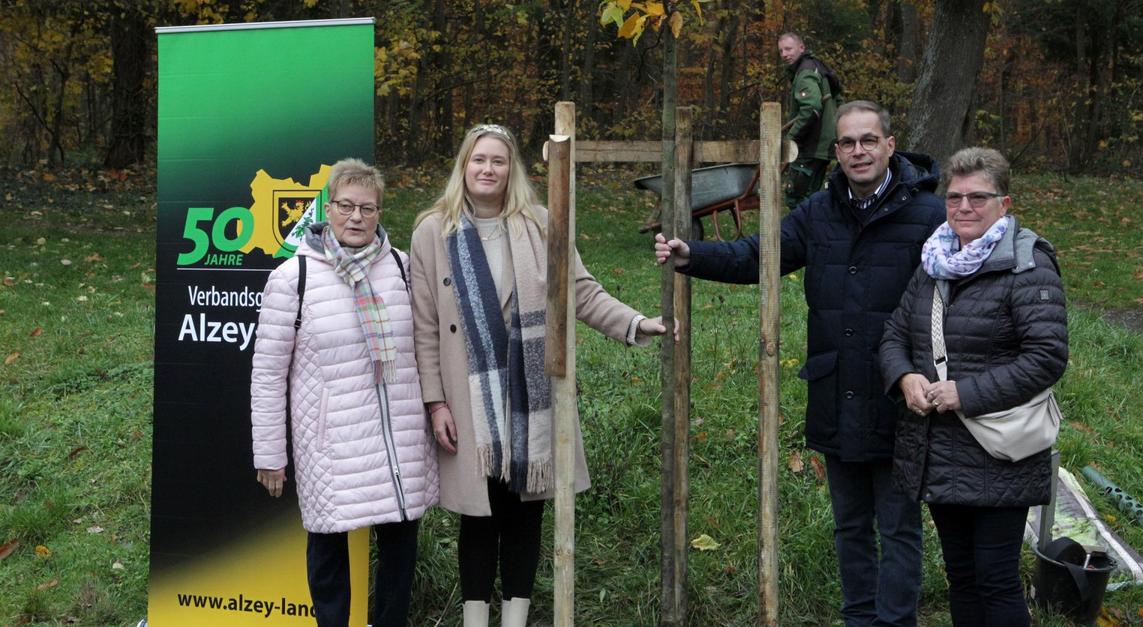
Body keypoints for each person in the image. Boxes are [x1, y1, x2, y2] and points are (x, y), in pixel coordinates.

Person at [655, 101, 943, 626]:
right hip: (837, 390)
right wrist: (691, 255)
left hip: (902, 394)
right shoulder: (819, 211)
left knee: (900, 525)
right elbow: (757, 255)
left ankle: (896, 621)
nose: (859, 151)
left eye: (869, 141)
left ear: (889, 146)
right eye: (848, 143)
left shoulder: (928, 215)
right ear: (836, 151)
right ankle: (859, 617)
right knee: (850, 522)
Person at [409, 123, 670, 627]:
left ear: (513, 171)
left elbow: (582, 293)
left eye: (498, 161)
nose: (487, 169)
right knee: (479, 516)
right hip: (469, 400)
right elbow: (423, 325)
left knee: (526, 510)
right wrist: (434, 402)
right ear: (464, 166)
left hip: (531, 392)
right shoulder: (432, 232)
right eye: (478, 159)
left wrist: (637, 323)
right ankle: (475, 619)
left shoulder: (542, 224)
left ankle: (516, 618)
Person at [879, 147, 1068, 626]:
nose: (964, 207)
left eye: (977, 198)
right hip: (939, 450)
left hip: (998, 449)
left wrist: (966, 392)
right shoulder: (934, 260)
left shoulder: (1029, 265)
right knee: (961, 576)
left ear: (1004, 204)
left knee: (996, 579)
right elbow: (896, 332)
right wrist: (904, 376)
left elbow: (1047, 357)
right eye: (955, 197)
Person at [251, 158, 438, 627]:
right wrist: (270, 454)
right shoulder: (294, 277)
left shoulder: (401, 267)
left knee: (400, 545)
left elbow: (429, 343)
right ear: (328, 208)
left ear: (379, 213)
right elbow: (268, 374)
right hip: (330, 441)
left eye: (368, 209)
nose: (356, 218)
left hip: (399, 436)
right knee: (329, 547)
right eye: (346, 206)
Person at [778, 31, 844, 205]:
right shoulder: (818, 67)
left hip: (810, 146)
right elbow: (839, 100)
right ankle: (816, 230)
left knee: (796, 199)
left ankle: (804, 232)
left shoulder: (805, 72)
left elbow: (811, 109)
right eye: (781, 51)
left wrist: (791, 138)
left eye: (788, 49)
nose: (784, 54)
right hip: (823, 146)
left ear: (801, 47)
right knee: (811, 198)